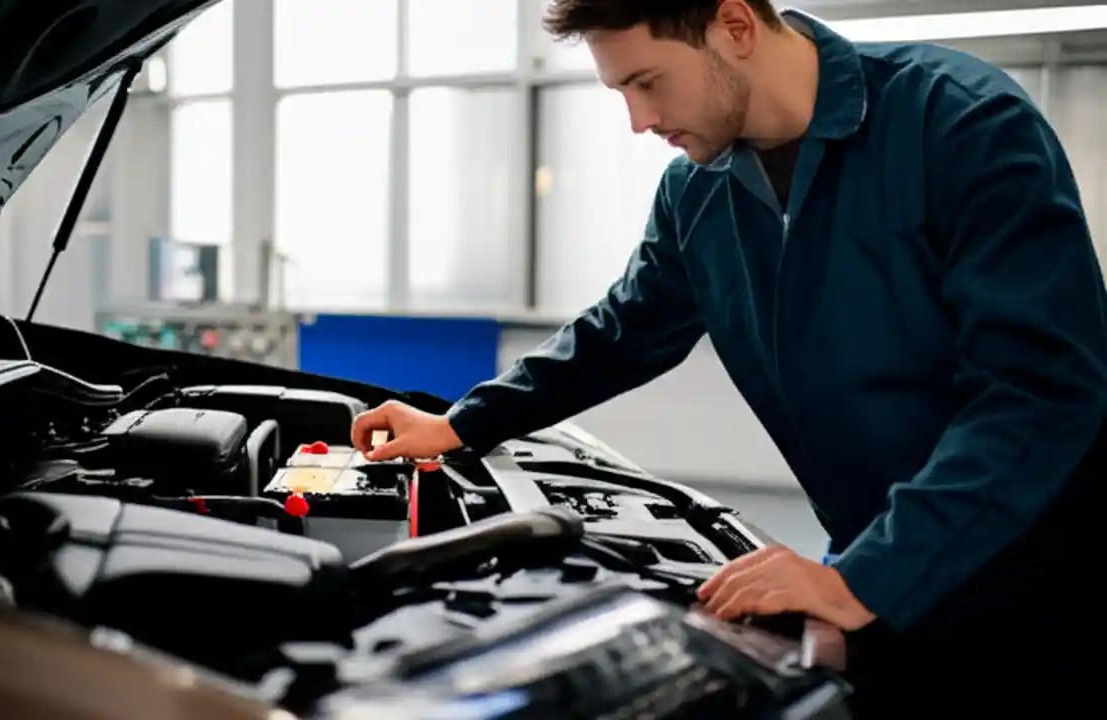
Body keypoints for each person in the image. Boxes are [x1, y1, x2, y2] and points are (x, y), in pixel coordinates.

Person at [351, 0, 1107, 707]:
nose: (639, 121)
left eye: (648, 82)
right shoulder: (699, 190)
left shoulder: (959, 122)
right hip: (873, 570)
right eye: (621, 91)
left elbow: (1038, 391)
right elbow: (625, 327)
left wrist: (867, 578)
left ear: (735, 26)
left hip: (1030, 577)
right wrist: (462, 423)